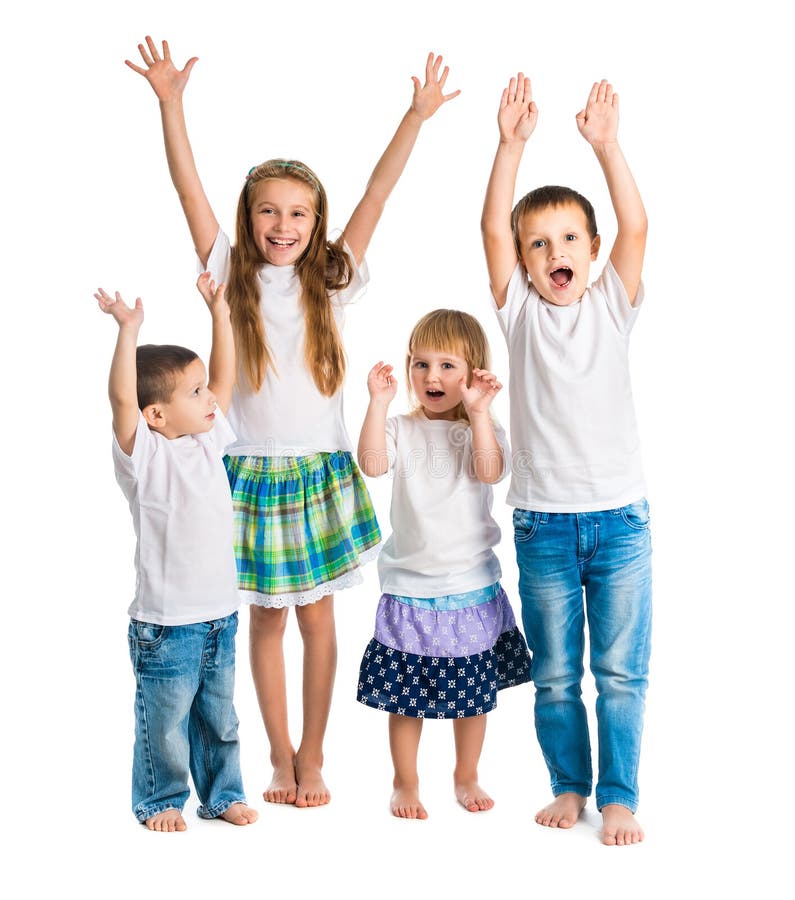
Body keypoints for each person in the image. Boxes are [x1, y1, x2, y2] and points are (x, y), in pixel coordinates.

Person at [126, 36, 460, 808]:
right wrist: (171, 104)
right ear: (248, 218)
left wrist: (415, 116)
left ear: (316, 221)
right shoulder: (229, 275)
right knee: (265, 626)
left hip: (318, 467)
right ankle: (277, 757)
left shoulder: (331, 279)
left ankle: (313, 755)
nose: (283, 224)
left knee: (317, 621)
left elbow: (375, 196)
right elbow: (187, 190)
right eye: (268, 211)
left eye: (298, 213)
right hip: (245, 469)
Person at [481, 75, 651, 846]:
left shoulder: (611, 303)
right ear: (523, 263)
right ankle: (568, 786)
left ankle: (617, 796)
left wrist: (606, 146)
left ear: (592, 251)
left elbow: (636, 224)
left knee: (618, 672)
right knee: (554, 675)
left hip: (619, 522)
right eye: (538, 243)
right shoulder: (518, 311)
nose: (555, 252)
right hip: (543, 525)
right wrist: (508, 146)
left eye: (570, 239)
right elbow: (491, 228)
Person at [97, 273, 258, 832]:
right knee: (164, 722)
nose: (210, 397)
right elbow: (123, 398)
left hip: (219, 615)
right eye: (194, 392)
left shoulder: (208, 441)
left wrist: (220, 313)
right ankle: (160, 799)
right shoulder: (143, 456)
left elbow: (227, 378)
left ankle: (222, 794)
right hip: (166, 625)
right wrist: (129, 329)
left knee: (220, 718)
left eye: (203, 389)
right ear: (156, 415)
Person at [356, 309, 531, 819]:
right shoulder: (400, 428)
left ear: (474, 372)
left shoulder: (484, 426)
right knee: (404, 698)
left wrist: (478, 414)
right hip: (410, 586)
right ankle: (405, 781)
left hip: (470, 584)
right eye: (421, 364)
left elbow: (490, 471)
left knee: (473, 695)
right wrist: (377, 403)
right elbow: (372, 464)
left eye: (447, 366)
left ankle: (466, 774)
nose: (431, 376)